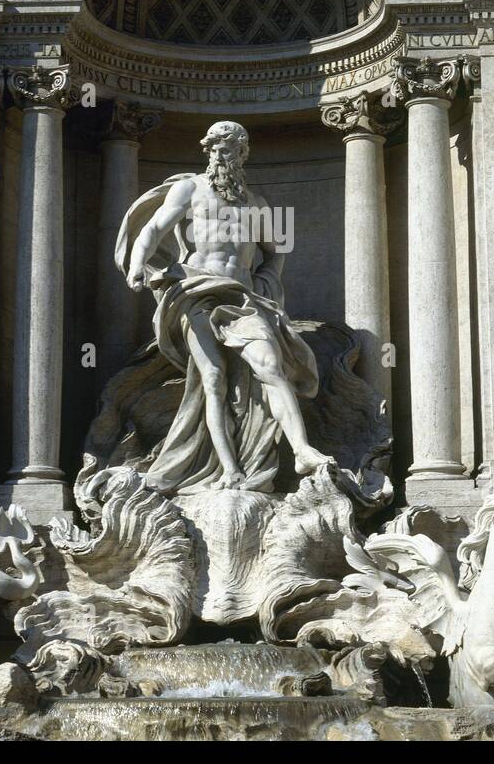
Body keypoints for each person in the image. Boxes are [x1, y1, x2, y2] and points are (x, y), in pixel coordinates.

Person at [118, 120, 333, 493]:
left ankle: (301, 451)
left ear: (242, 154)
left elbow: (276, 251)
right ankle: (229, 469)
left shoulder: (257, 204)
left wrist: (268, 284)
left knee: (271, 366)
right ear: (208, 151)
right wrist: (138, 264)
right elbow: (153, 229)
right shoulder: (190, 190)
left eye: (229, 147)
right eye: (215, 146)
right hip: (196, 290)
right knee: (213, 378)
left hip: (242, 297)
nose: (221, 153)